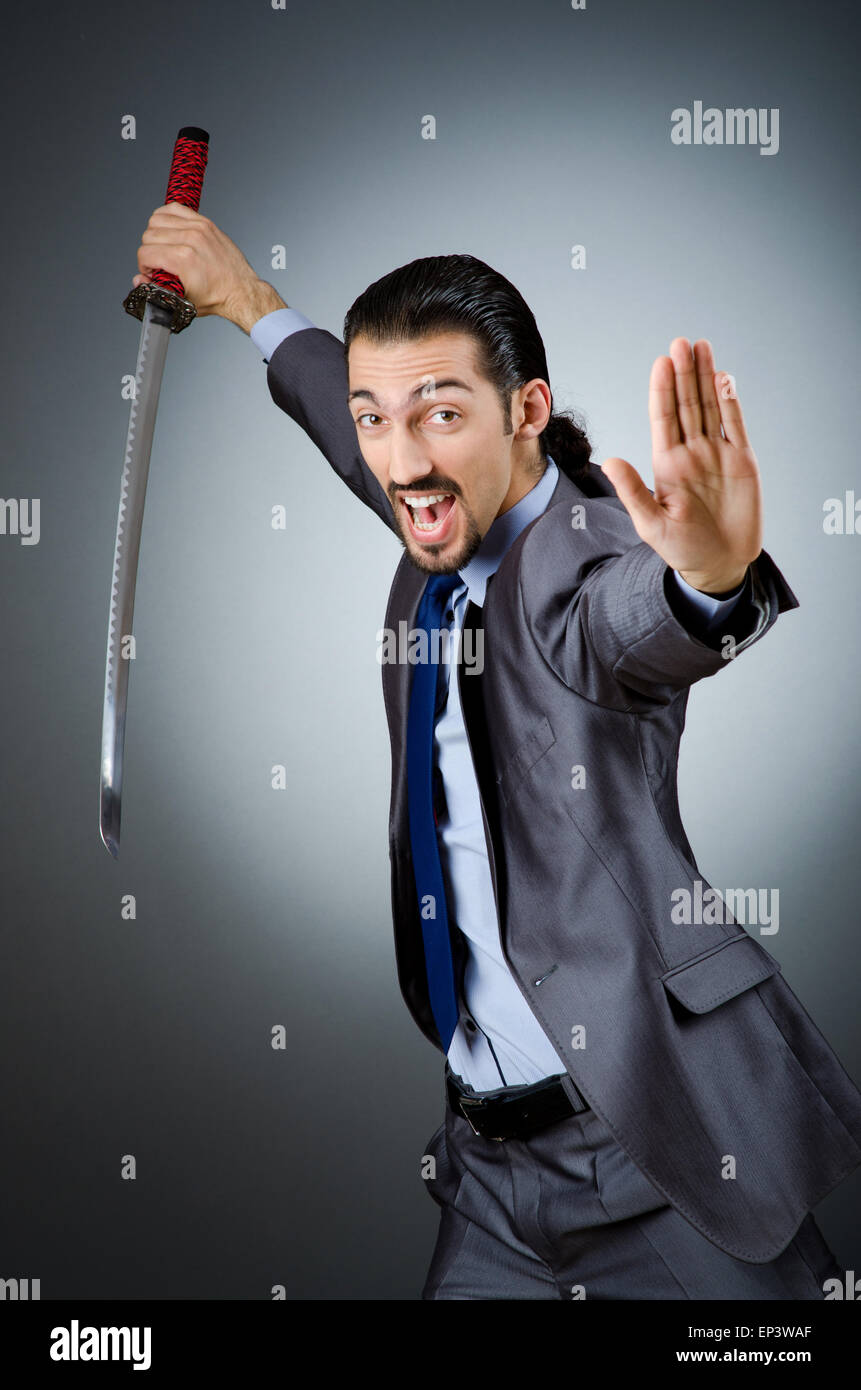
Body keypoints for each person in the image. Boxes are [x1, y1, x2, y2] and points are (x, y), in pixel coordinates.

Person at [132, 203, 861, 1299]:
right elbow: (352, 421)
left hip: (659, 1149)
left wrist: (708, 577)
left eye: (438, 413)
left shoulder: (587, 564)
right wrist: (245, 297)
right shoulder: (441, 507)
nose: (400, 457)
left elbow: (643, 619)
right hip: (489, 1175)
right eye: (380, 419)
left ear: (526, 412)